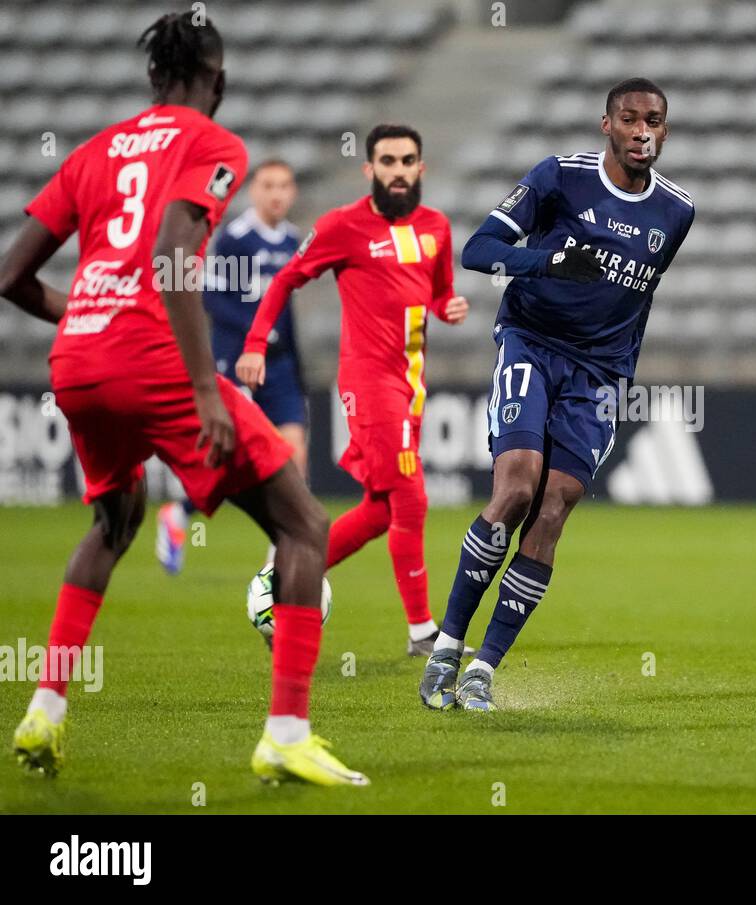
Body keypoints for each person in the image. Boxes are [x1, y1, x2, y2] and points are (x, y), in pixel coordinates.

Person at [0, 13, 367, 786]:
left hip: (77, 361)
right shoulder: (212, 142)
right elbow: (172, 251)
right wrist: (205, 387)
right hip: (153, 355)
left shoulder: (96, 150)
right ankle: (287, 733)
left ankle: (44, 710)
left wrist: (88, 315)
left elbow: (9, 277)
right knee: (302, 524)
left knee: (114, 520)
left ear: (152, 78)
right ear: (218, 78)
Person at [417, 78, 695, 712]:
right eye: (629, 119)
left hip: (598, 377)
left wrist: (616, 368)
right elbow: (476, 250)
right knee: (516, 488)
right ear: (607, 125)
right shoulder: (558, 178)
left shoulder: (677, 212)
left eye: (653, 121)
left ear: (665, 131)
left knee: (552, 511)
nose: (642, 131)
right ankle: (446, 649)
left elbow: (636, 298)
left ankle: (483, 670)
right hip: (531, 345)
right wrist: (543, 262)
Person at [237, 124, 469, 657]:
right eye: (386, 160)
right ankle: (423, 634)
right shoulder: (343, 226)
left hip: (411, 385)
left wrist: (446, 309)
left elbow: (437, 294)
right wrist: (254, 344)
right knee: (411, 498)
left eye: (407, 160)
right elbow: (286, 280)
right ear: (370, 170)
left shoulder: (435, 226)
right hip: (369, 383)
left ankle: (282, 575)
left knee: (379, 511)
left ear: (420, 168)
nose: (397, 169)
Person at [156, 158, 308, 575]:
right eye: (268, 185)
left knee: (295, 452)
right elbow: (213, 299)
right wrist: (256, 332)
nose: (277, 193)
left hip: (279, 365)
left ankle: (282, 554)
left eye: (284, 185)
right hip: (237, 360)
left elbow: (286, 310)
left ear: (292, 192)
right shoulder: (235, 239)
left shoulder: (293, 239)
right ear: (254, 191)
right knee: (234, 457)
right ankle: (179, 513)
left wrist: (293, 358)